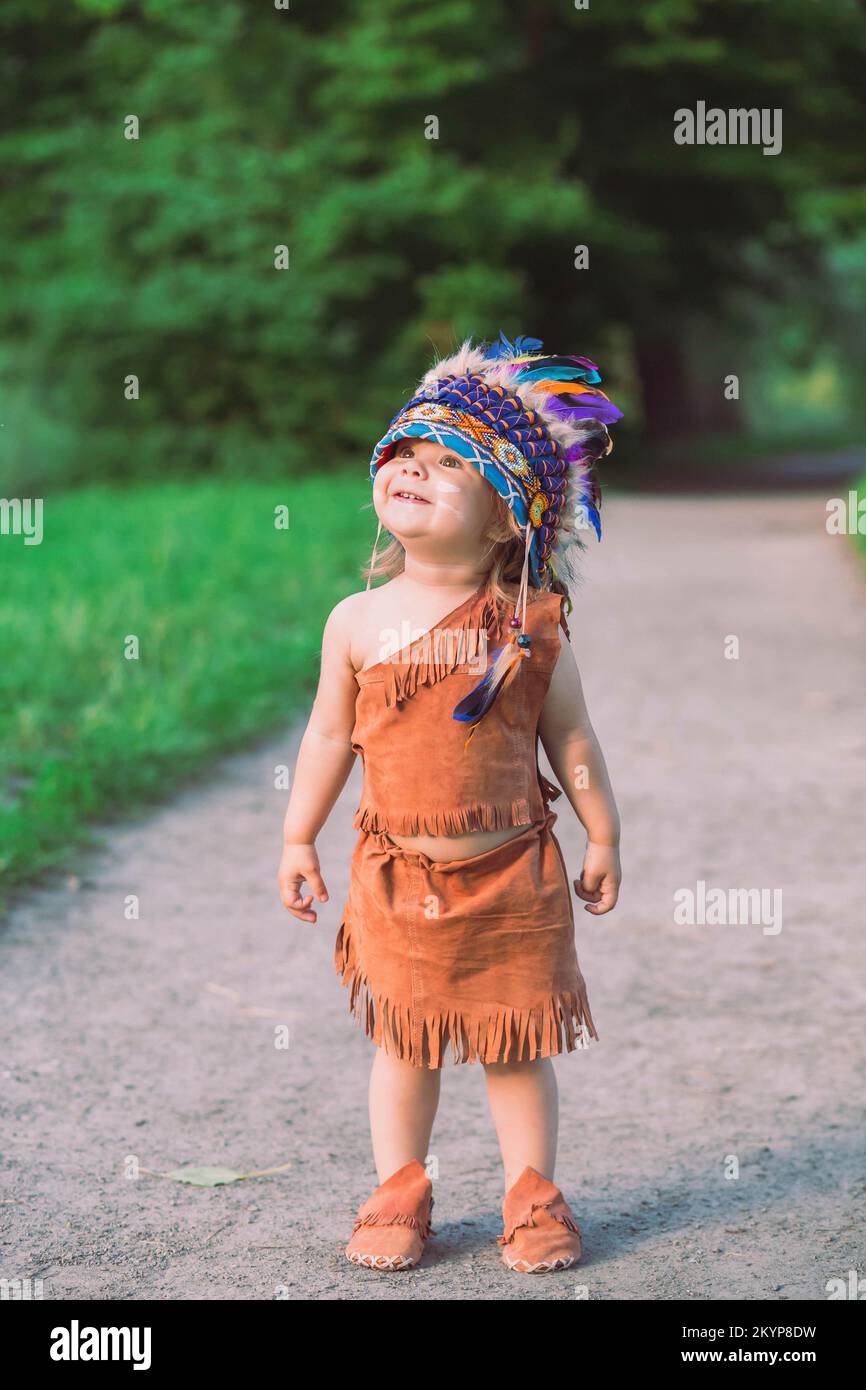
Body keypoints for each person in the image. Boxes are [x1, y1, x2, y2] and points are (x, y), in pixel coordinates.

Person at [278, 333, 623, 1274]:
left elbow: (575, 738)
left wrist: (603, 833)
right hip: (397, 877)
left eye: (452, 465)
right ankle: (401, 1188)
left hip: (514, 877)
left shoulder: (530, 624)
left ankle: (532, 1194)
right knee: (406, 1045)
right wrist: (298, 837)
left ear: (509, 516)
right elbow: (324, 738)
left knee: (516, 1048)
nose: (417, 474)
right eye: (407, 457)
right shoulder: (355, 621)